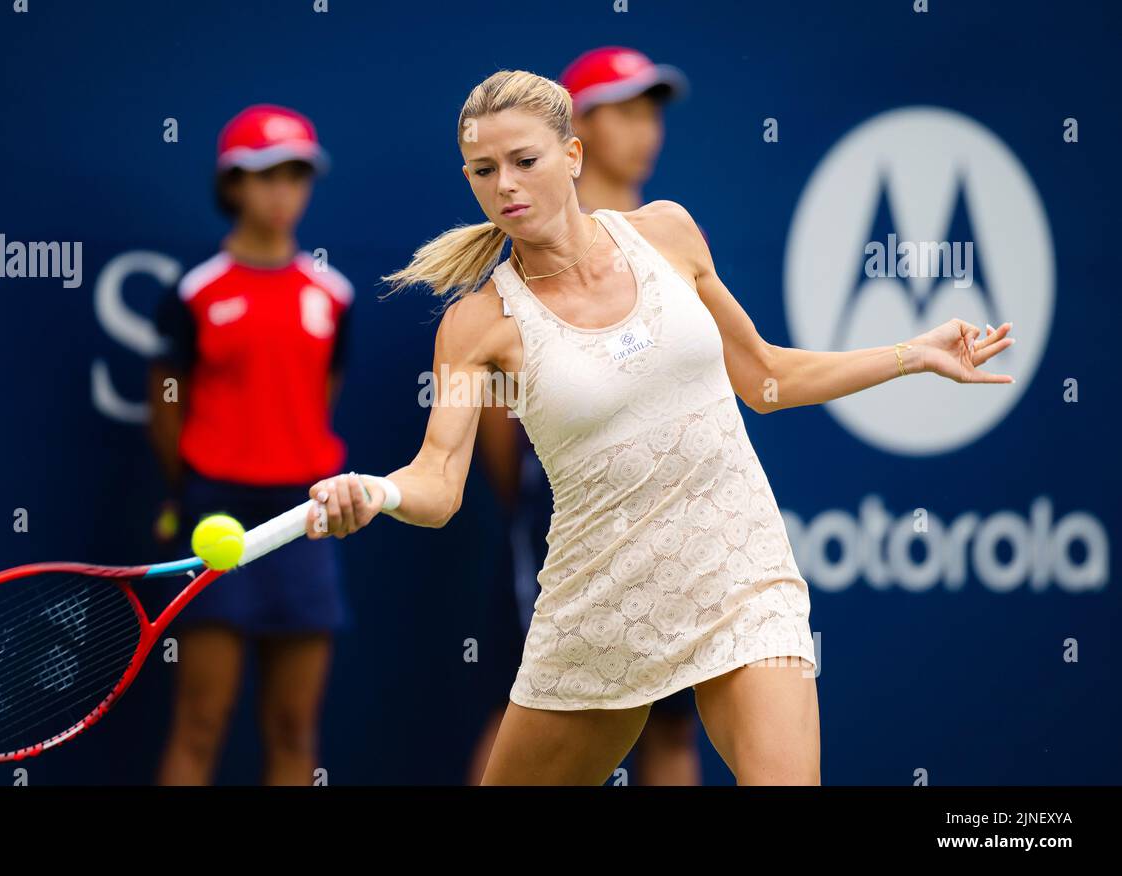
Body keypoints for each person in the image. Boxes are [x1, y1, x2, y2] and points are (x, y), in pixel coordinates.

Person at [303, 70, 1015, 785]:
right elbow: (438, 481)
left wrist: (911, 354)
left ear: (572, 155)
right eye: (485, 170)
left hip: (740, 582)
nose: (506, 185)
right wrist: (377, 493)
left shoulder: (669, 234)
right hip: (598, 612)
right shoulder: (478, 322)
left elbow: (766, 379)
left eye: (526, 161)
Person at [467, 46, 702, 786]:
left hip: (680, 514)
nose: (648, 130)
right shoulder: (525, 251)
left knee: (671, 726)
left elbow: (746, 375)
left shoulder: (665, 233)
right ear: (580, 132)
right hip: (566, 521)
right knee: (530, 720)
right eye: (627, 111)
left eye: (652, 111)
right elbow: (500, 426)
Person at [147, 104, 355, 785]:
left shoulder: (331, 294)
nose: (281, 192)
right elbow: (168, 401)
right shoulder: (197, 291)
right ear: (232, 185)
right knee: (200, 723)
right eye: (264, 176)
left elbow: (320, 392)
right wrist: (191, 487)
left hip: (305, 516)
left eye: (296, 175)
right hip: (215, 511)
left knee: (295, 728)